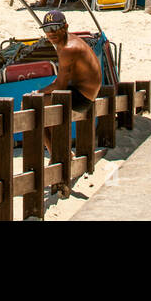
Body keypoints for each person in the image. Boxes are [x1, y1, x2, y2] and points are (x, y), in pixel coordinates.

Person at [36, 10, 101, 198]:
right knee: (41, 107)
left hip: (82, 98)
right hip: (84, 93)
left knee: (31, 107)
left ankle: (56, 155)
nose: (51, 33)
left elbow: (60, 85)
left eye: (56, 28)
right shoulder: (65, 42)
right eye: (47, 29)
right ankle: (57, 153)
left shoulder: (68, 48)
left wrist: (36, 93)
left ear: (65, 27)